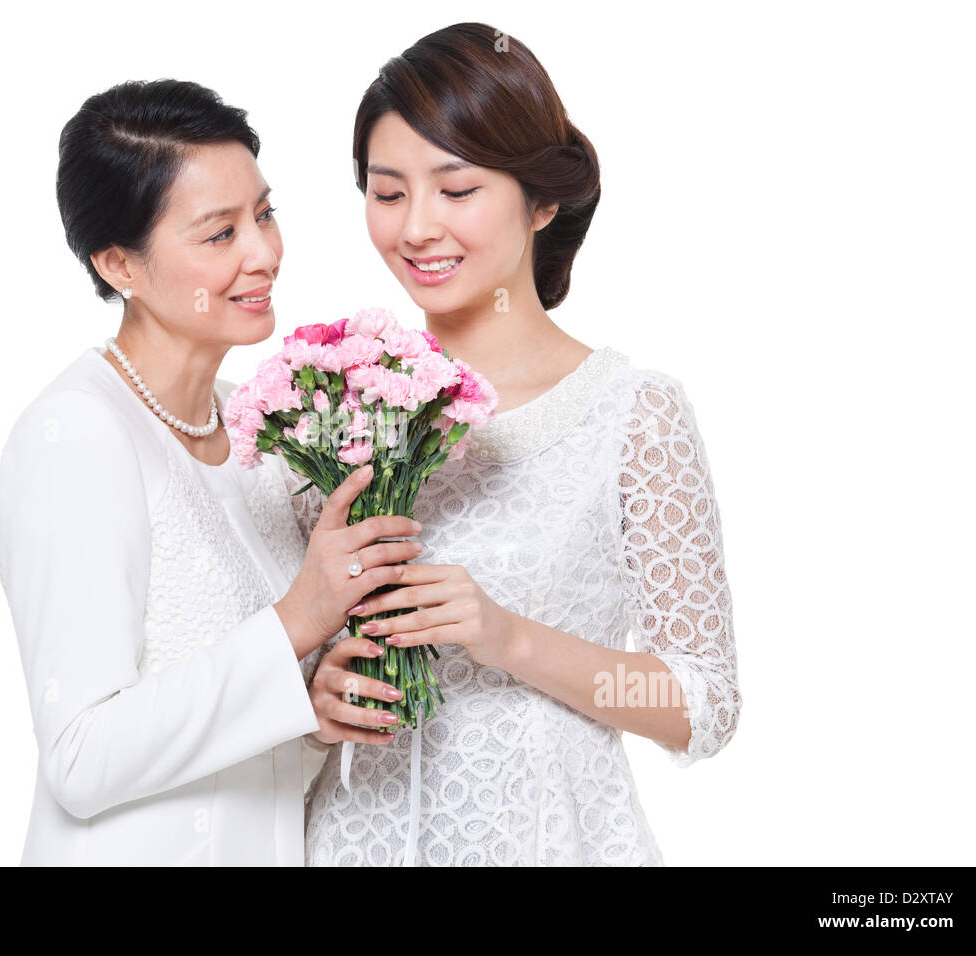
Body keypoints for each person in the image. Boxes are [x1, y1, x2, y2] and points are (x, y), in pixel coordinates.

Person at [293, 23, 744, 866]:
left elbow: (703, 701)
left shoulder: (630, 414)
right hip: (354, 840)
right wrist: (312, 704)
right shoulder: (331, 415)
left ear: (542, 202)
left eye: (456, 190)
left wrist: (509, 638)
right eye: (388, 194)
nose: (417, 228)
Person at [0, 79, 420, 865]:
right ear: (119, 262)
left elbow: (233, 729)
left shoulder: (254, 428)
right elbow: (80, 760)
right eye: (219, 234)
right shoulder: (77, 436)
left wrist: (316, 717)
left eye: (263, 213)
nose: (265, 252)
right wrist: (299, 621)